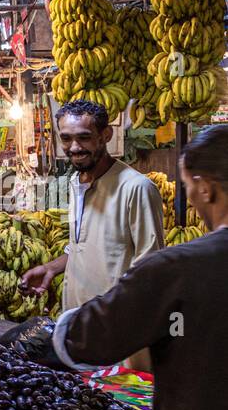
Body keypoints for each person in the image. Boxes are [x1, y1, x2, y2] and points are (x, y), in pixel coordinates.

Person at [47, 124, 228, 410]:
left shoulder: (183, 268)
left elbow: (92, 336)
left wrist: (42, 339)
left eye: (188, 188)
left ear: (205, 188)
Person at [20, 100, 164, 310]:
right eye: (66, 139)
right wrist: (50, 268)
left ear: (106, 135)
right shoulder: (75, 183)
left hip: (116, 326)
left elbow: (151, 267)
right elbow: (83, 248)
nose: (75, 147)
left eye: (84, 137)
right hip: (77, 320)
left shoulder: (136, 188)